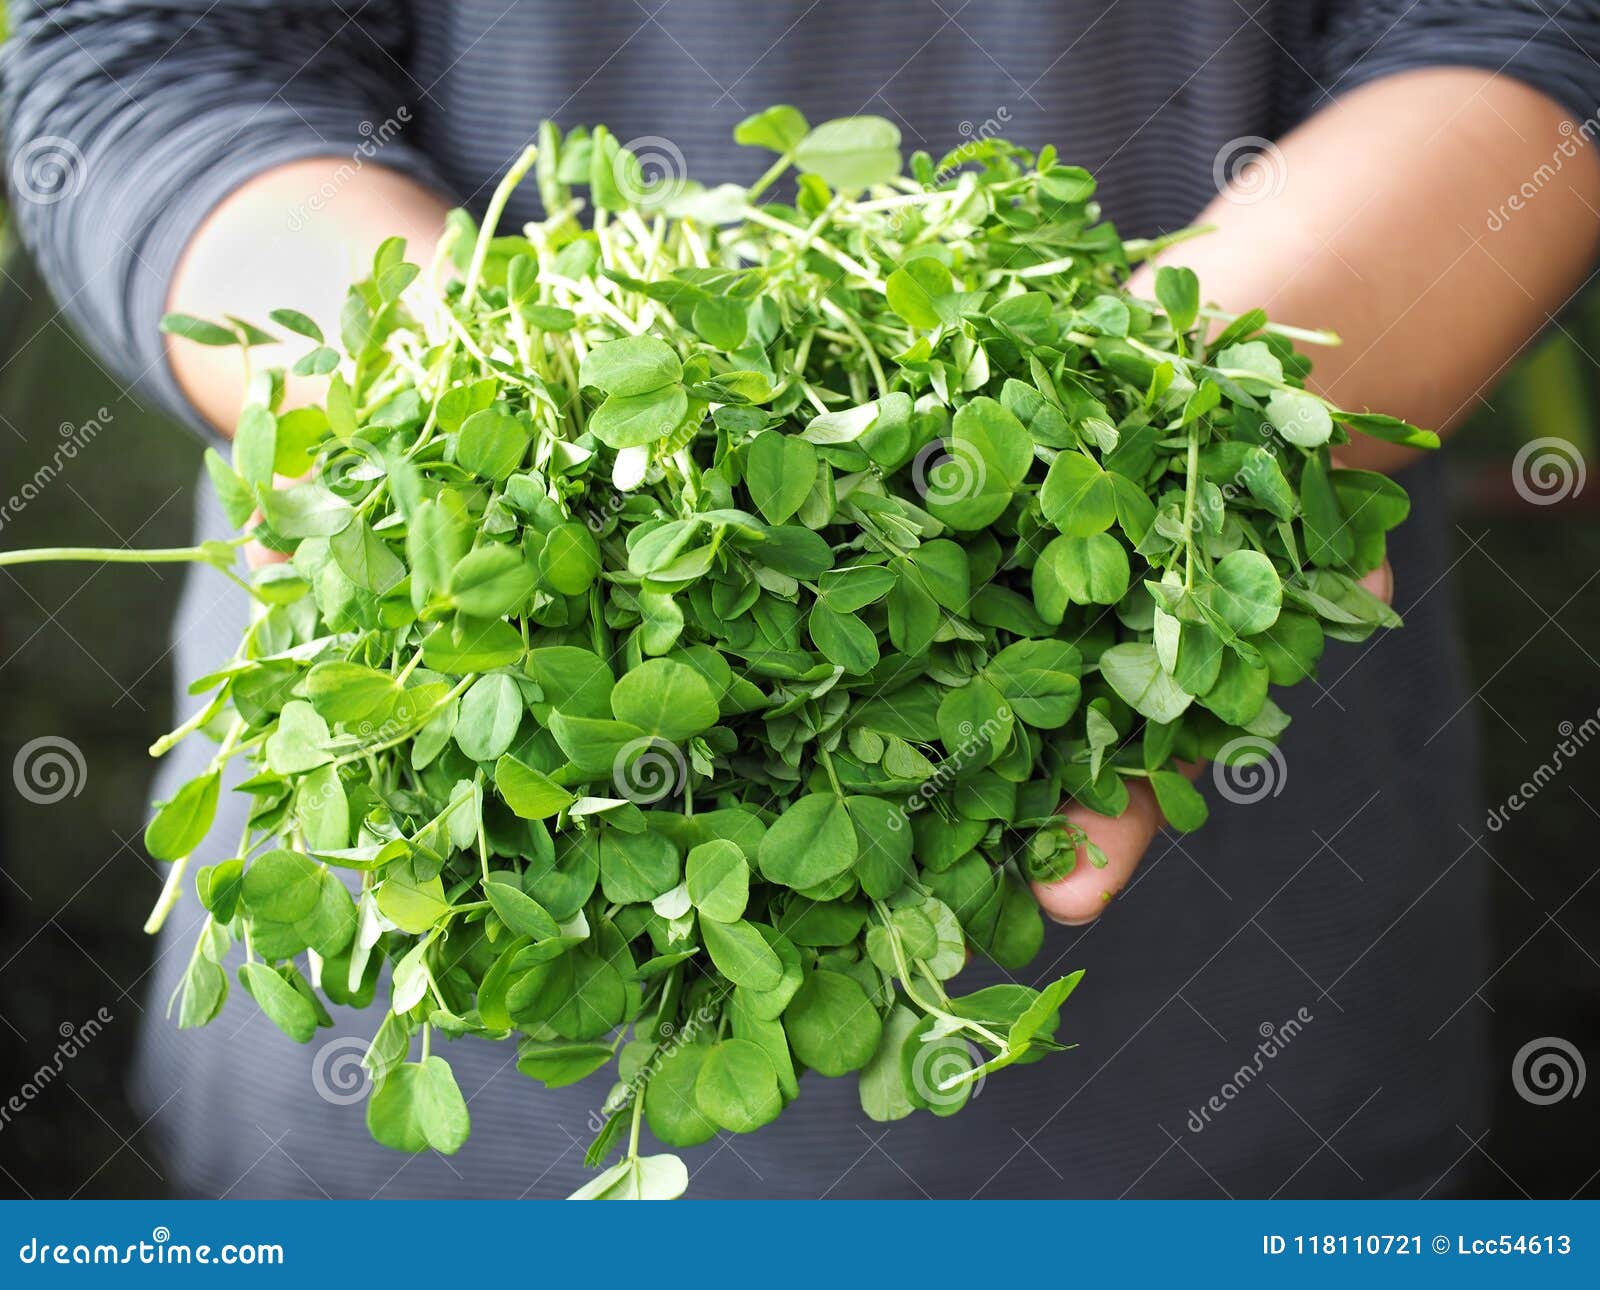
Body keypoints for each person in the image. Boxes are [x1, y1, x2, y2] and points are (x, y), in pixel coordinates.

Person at [4, 0, 1597, 1200]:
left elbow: (1515, 21)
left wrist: (1207, 411)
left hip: (1234, 1071)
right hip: (414, 1099)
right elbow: (148, 45)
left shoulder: (1146, 500)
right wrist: (405, 403)